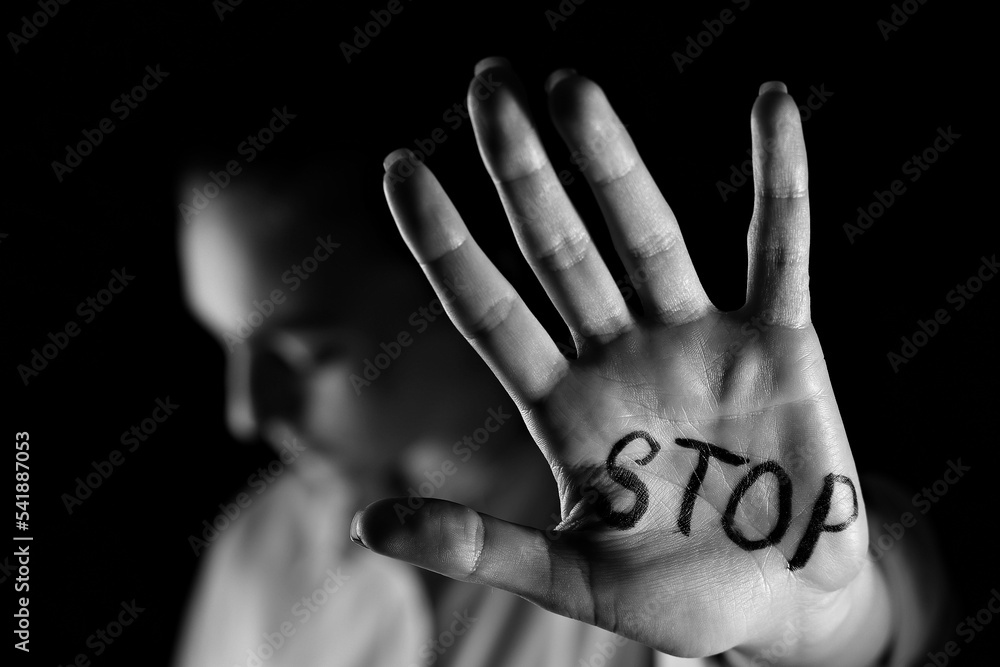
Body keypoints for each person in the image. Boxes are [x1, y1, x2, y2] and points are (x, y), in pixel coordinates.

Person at [174, 57, 947, 666]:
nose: (245, 411)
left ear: (457, 287)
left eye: (305, 351)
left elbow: (866, 619)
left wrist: (815, 627)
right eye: (224, 342)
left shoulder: (673, 512)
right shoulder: (254, 549)